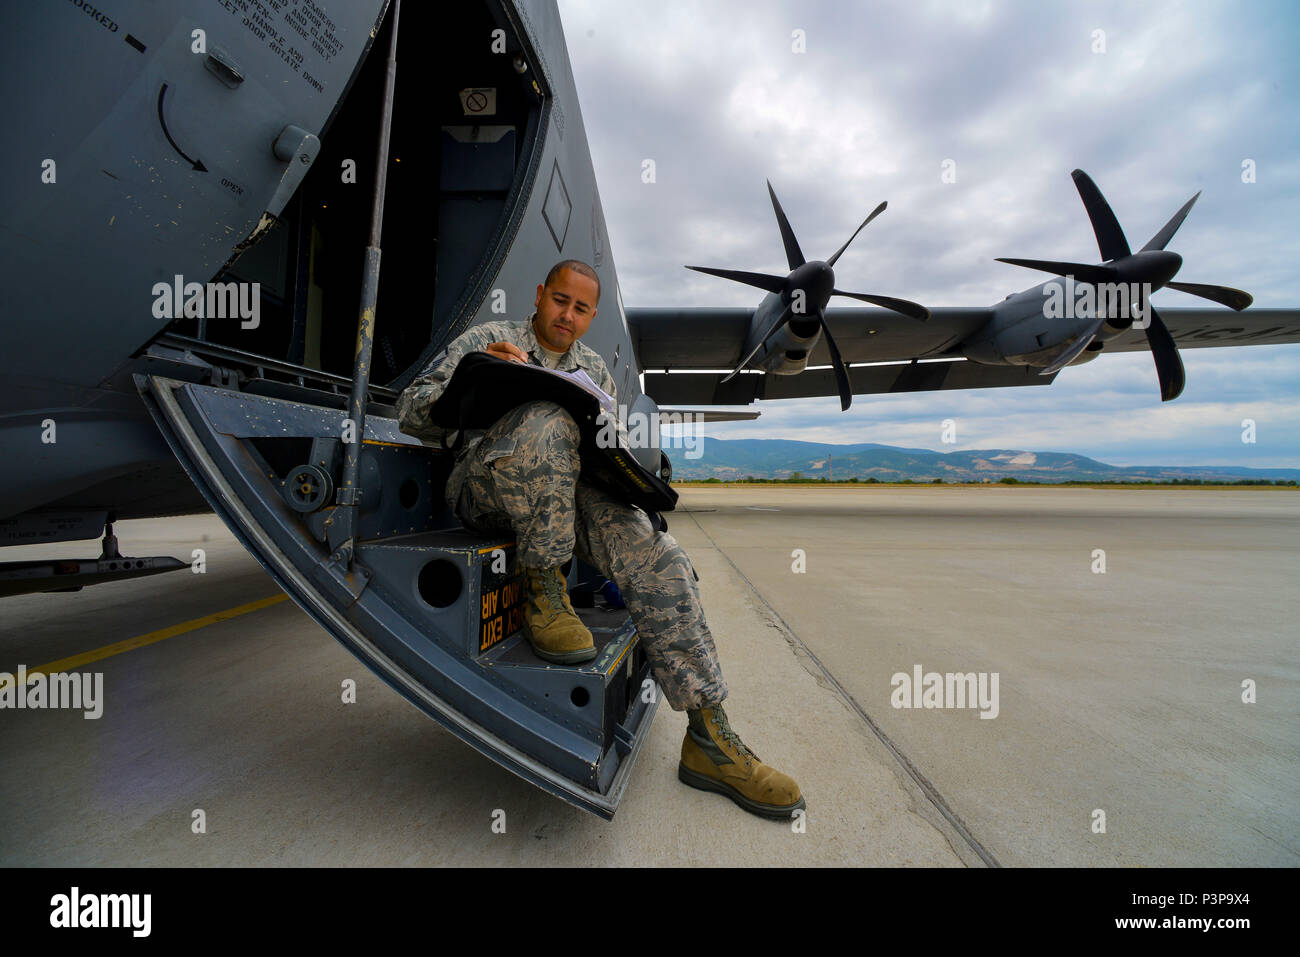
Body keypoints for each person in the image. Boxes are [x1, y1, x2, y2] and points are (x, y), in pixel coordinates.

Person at [396, 259, 803, 819]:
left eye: (581, 308)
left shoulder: (593, 370)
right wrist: (476, 374)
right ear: (540, 296)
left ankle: (709, 736)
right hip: (485, 488)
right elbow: (410, 413)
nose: (568, 315)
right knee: (545, 420)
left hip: (566, 491)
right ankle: (545, 589)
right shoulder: (491, 339)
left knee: (660, 557)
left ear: (590, 315)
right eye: (560, 300)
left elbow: (601, 450)